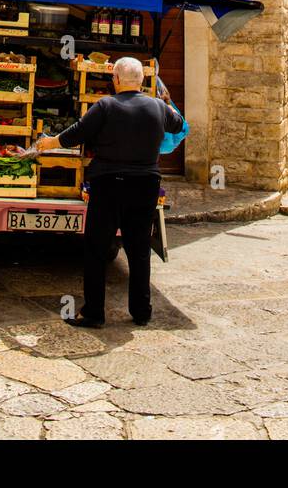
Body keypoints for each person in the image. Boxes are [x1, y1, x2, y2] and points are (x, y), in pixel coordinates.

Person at [37, 56, 183, 329]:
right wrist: (164, 102)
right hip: (145, 185)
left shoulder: (105, 106)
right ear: (141, 81)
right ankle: (141, 311)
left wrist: (50, 143)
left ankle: (93, 313)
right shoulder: (157, 107)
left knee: (96, 249)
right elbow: (177, 125)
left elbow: (77, 133)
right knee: (138, 249)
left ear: (115, 80)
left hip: (109, 184)